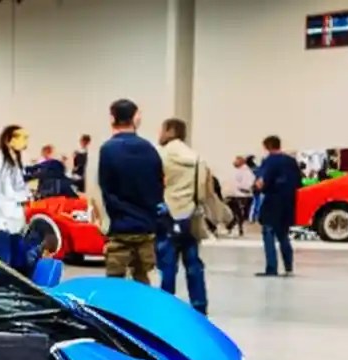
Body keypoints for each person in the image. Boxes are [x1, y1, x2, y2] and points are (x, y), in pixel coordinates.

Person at [156, 118, 229, 315]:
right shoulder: (197, 159)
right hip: (189, 217)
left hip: (166, 216)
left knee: (167, 266)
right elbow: (204, 193)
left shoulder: (161, 156)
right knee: (193, 264)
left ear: (170, 131)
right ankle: (199, 306)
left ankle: (166, 305)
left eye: (162, 130)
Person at [97, 99, 163, 283]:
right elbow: (158, 187)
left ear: (112, 118)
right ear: (136, 118)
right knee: (145, 282)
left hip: (120, 229)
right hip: (146, 228)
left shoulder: (107, 150)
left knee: (114, 283)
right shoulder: (149, 149)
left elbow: (106, 189)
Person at [0, 125, 35, 275]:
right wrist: (13, 203)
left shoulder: (16, 163)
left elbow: (19, 189)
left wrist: (25, 197)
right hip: (0, 222)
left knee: (19, 265)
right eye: (19, 137)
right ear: (8, 139)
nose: (23, 141)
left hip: (15, 222)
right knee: (3, 266)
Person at [254, 135, 302, 276]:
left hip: (272, 201)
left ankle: (271, 268)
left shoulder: (269, 161)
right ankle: (288, 268)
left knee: (268, 232)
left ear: (267, 146)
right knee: (283, 235)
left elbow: (261, 182)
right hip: (288, 202)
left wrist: (257, 188)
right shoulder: (291, 161)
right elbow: (299, 182)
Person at [225, 156, 254, 236]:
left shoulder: (246, 172)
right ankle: (232, 227)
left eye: (236, 161)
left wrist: (239, 188)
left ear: (241, 162)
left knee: (239, 214)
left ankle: (237, 229)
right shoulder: (238, 171)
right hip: (236, 195)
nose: (234, 162)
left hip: (242, 196)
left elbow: (247, 185)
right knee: (235, 213)